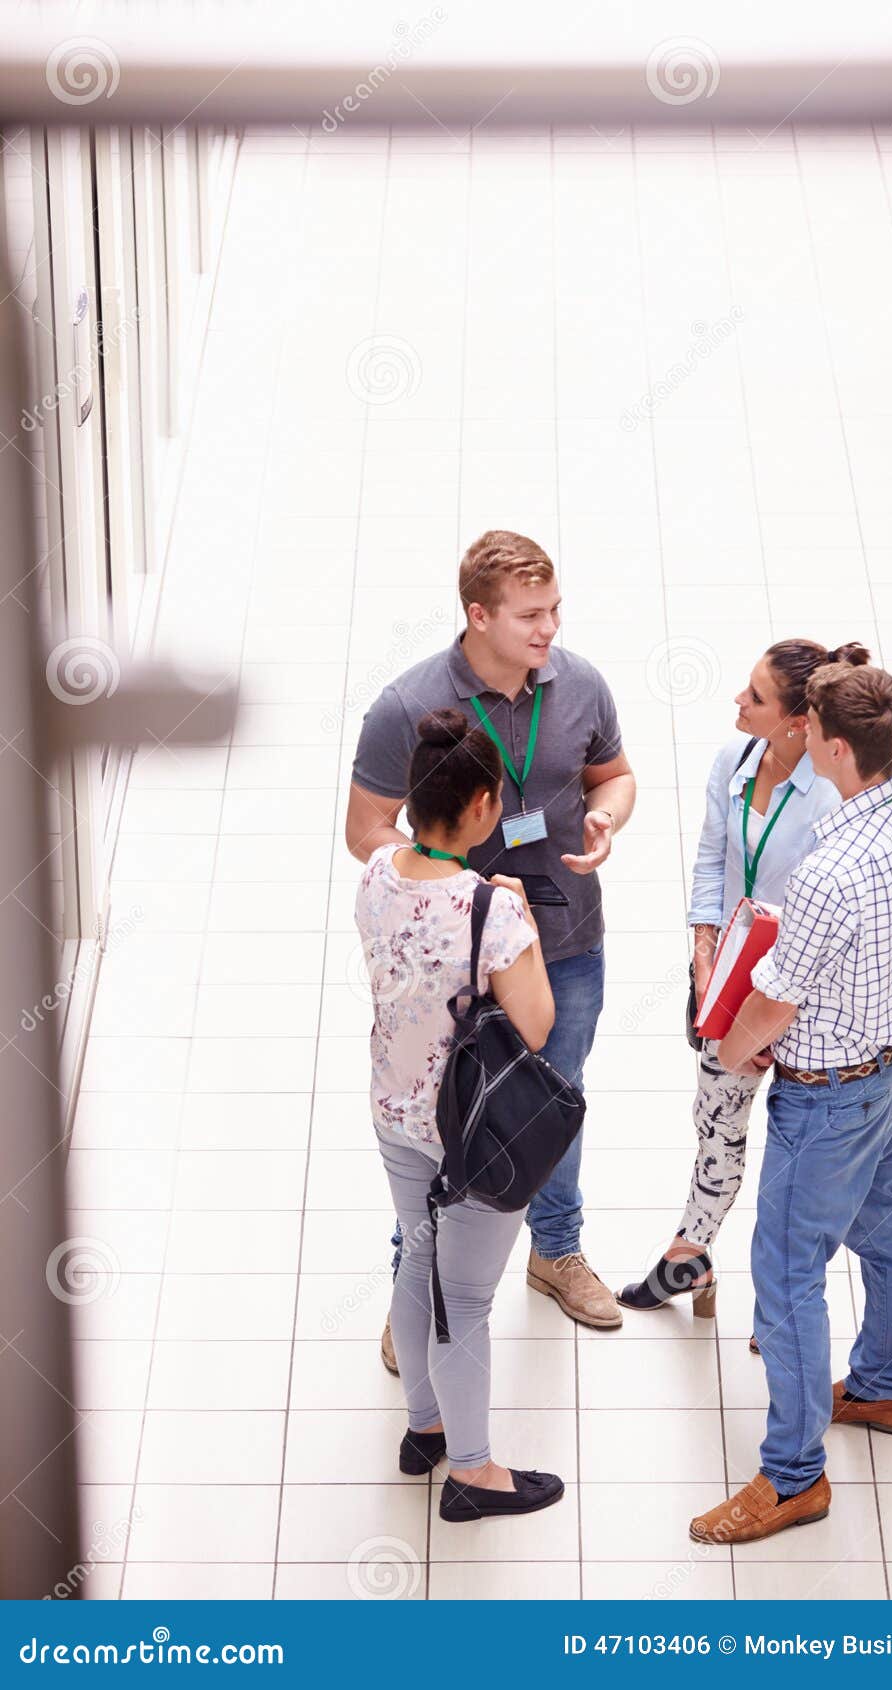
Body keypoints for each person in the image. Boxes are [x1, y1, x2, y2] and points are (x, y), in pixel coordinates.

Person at [346, 530, 636, 1354]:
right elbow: (366, 828)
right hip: (454, 957)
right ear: (477, 615)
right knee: (447, 1113)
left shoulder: (578, 685)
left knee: (553, 1095)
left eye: (553, 611)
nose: (549, 630)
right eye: (529, 615)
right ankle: (420, 1285)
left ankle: (556, 1250)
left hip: (566, 938)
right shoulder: (408, 707)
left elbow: (613, 774)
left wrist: (606, 817)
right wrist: (448, 884)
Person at [689, 661, 892, 1547]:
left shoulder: (828, 869)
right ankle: (883, 1386)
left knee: (786, 1278)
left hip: (824, 1095)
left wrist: (724, 1045)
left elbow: (775, 999)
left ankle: (793, 1476)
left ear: (833, 747)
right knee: (887, 1228)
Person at [616, 640, 869, 1318]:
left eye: (753, 696)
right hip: (724, 980)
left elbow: (825, 928)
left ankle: (787, 1312)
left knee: (797, 1162)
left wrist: (766, 1018)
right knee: (716, 1122)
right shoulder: (731, 762)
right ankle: (688, 1256)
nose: (736, 700)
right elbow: (708, 859)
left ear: (797, 722)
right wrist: (704, 963)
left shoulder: (827, 800)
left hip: (796, 998)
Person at [356, 706, 567, 1520]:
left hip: (393, 1110)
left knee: (416, 1259)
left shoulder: (375, 872)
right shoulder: (491, 908)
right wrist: (522, 919)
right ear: (481, 805)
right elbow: (537, 1023)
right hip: (470, 1136)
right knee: (467, 1298)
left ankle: (425, 1428)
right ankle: (473, 1474)